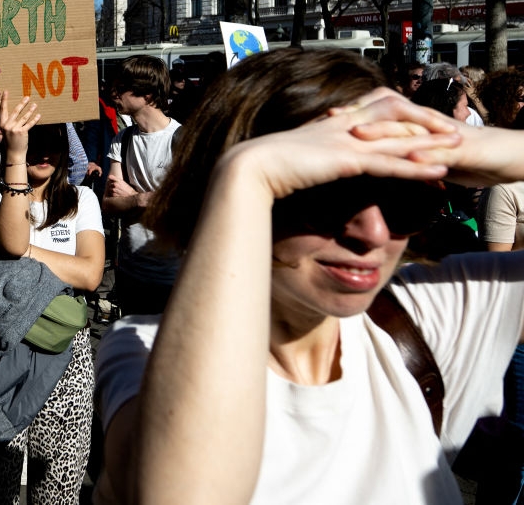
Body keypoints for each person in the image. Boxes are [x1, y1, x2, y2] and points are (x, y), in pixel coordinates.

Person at [94, 48, 524, 505]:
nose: (374, 231)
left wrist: (459, 143)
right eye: (325, 196)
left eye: (400, 195)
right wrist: (247, 173)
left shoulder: (425, 320)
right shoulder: (142, 352)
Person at [0, 99, 104, 503]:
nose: (42, 152)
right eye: (31, 140)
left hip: (65, 353)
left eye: (52, 141)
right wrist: (16, 158)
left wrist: (17, 255)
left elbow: (90, 274)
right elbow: (14, 235)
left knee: (59, 484)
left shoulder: (82, 200)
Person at [101, 55, 182, 315]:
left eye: (122, 87)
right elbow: (109, 203)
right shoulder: (122, 139)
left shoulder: (181, 140)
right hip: (130, 269)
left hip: (174, 274)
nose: (114, 93)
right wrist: (138, 201)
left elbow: (190, 207)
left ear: (147, 95)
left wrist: (135, 196)